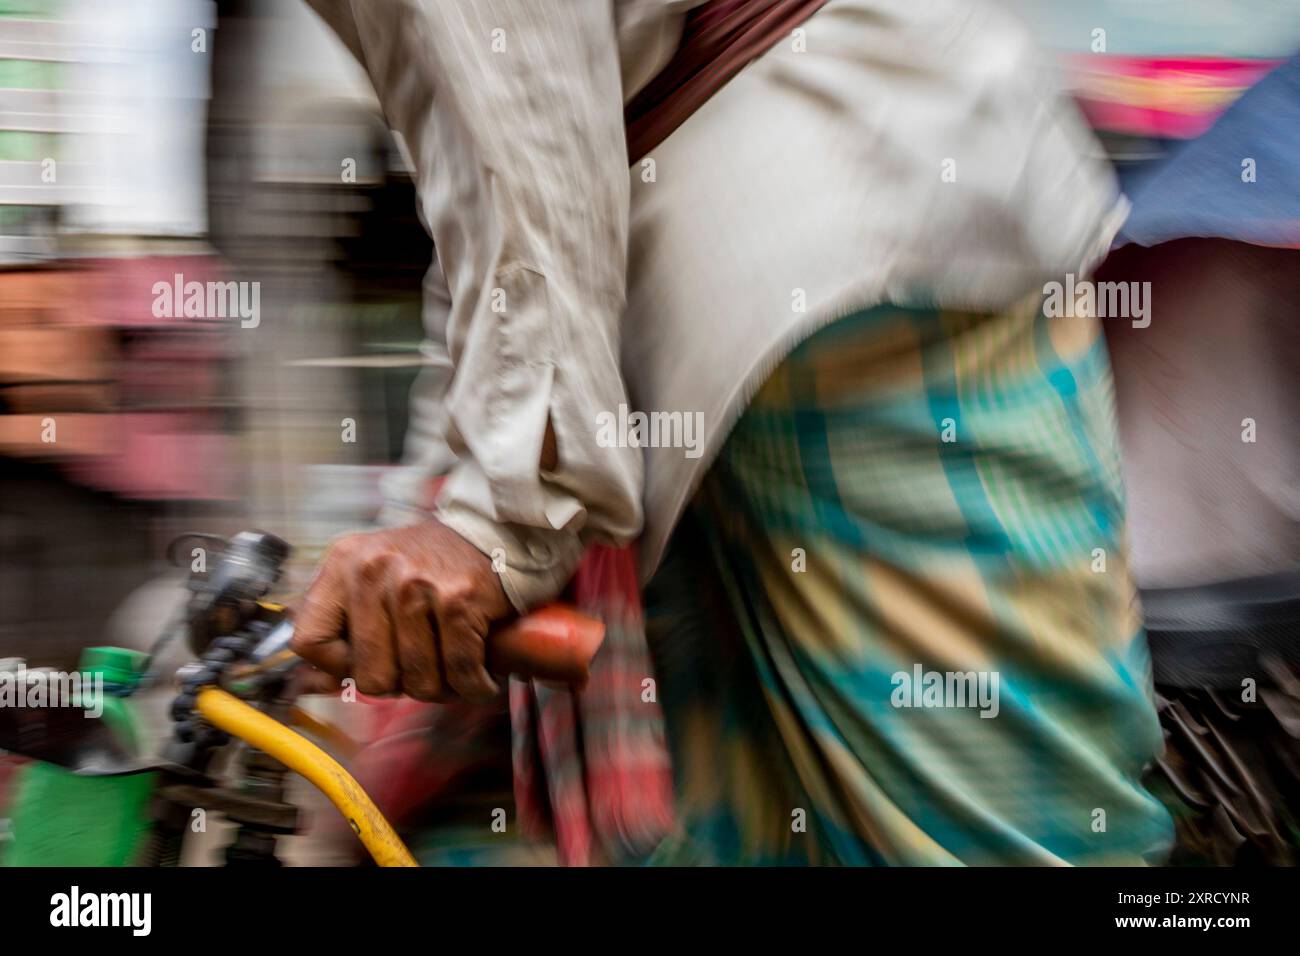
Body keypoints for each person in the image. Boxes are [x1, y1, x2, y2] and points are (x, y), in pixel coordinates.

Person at [292, 0, 1173, 864]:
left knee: (1013, 840)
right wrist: (448, 498)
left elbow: (524, 99)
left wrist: (497, 522)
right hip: (715, 288)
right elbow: (483, 169)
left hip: (842, 231)